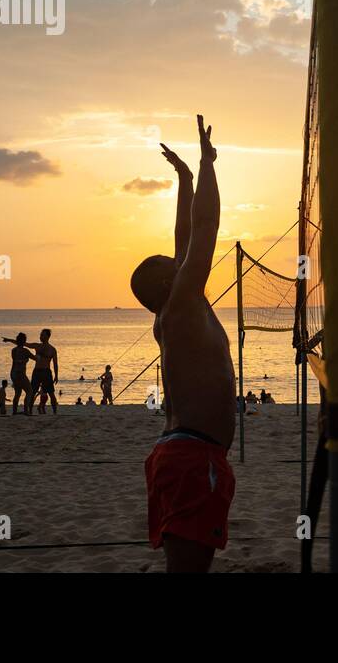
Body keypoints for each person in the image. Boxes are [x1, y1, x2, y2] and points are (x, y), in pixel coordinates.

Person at [131, 116, 235, 573]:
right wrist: (208, 163)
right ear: (166, 281)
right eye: (167, 264)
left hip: (188, 454)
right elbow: (205, 229)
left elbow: (186, 237)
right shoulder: (180, 309)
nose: (177, 260)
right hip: (192, 459)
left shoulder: (178, 315)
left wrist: (185, 179)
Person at [27, 329, 60, 414]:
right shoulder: (37, 346)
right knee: (32, 392)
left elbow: (55, 363)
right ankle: (30, 411)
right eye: (40, 335)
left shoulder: (52, 349)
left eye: (43, 335)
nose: (41, 337)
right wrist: (10, 340)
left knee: (51, 393)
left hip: (46, 372)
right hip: (37, 371)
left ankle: (55, 412)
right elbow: (24, 344)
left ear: (48, 337)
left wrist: (56, 375)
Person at [3, 334, 35, 414]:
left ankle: (14, 411)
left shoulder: (13, 350)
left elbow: (16, 360)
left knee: (18, 393)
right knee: (29, 391)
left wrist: (9, 340)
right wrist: (39, 356)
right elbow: (35, 358)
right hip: (20, 373)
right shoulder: (25, 351)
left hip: (13, 373)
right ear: (24, 341)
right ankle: (26, 410)